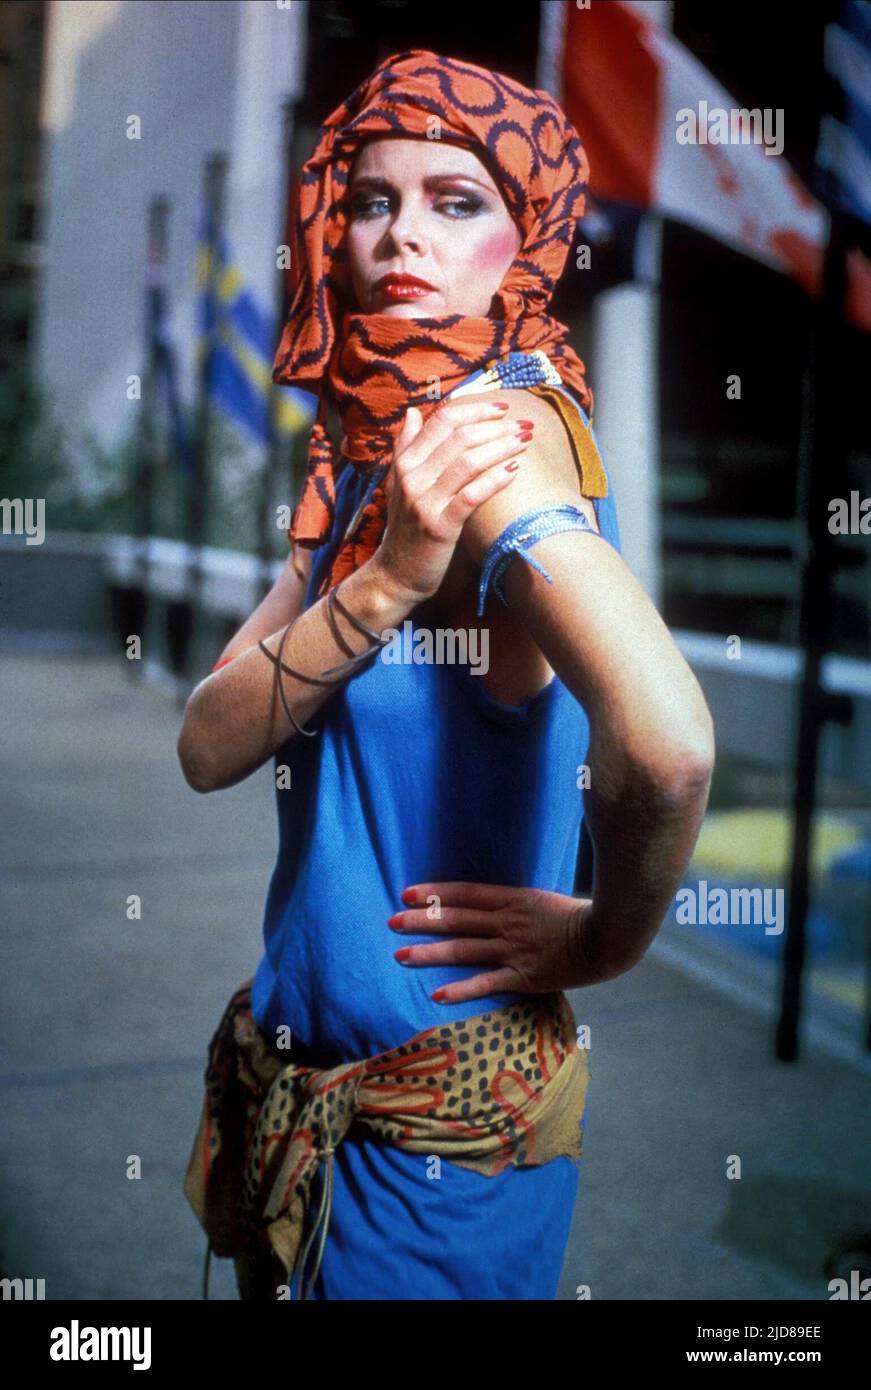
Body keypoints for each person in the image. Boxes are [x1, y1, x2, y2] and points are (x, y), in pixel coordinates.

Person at [177, 49, 715, 1302]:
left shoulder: (497, 441)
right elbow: (208, 744)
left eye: (455, 201)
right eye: (372, 199)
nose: (399, 236)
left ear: (523, 240)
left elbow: (672, 741)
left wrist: (602, 940)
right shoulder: (383, 456)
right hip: (303, 1113)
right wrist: (381, 580)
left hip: (430, 1163)